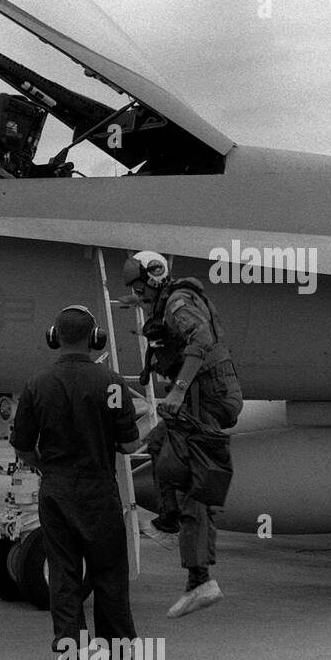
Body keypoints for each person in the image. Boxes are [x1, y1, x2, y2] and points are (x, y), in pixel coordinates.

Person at [10, 306, 146, 660]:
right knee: (109, 576)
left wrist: (45, 467)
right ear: (96, 338)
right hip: (99, 490)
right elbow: (130, 443)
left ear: (55, 336)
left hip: (56, 491)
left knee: (65, 576)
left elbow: (22, 446)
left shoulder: (38, 383)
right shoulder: (114, 383)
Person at [120, 251, 244, 619]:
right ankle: (169, 522)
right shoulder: (170, 301)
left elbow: (201, 338)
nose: (138, 294)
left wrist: (176, 390)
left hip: (207, 395)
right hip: (202, 394)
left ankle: (200, 581)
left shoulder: (177, 303)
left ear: (154, 279)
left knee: (194, 485)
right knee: (158, 443)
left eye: (140, 287)